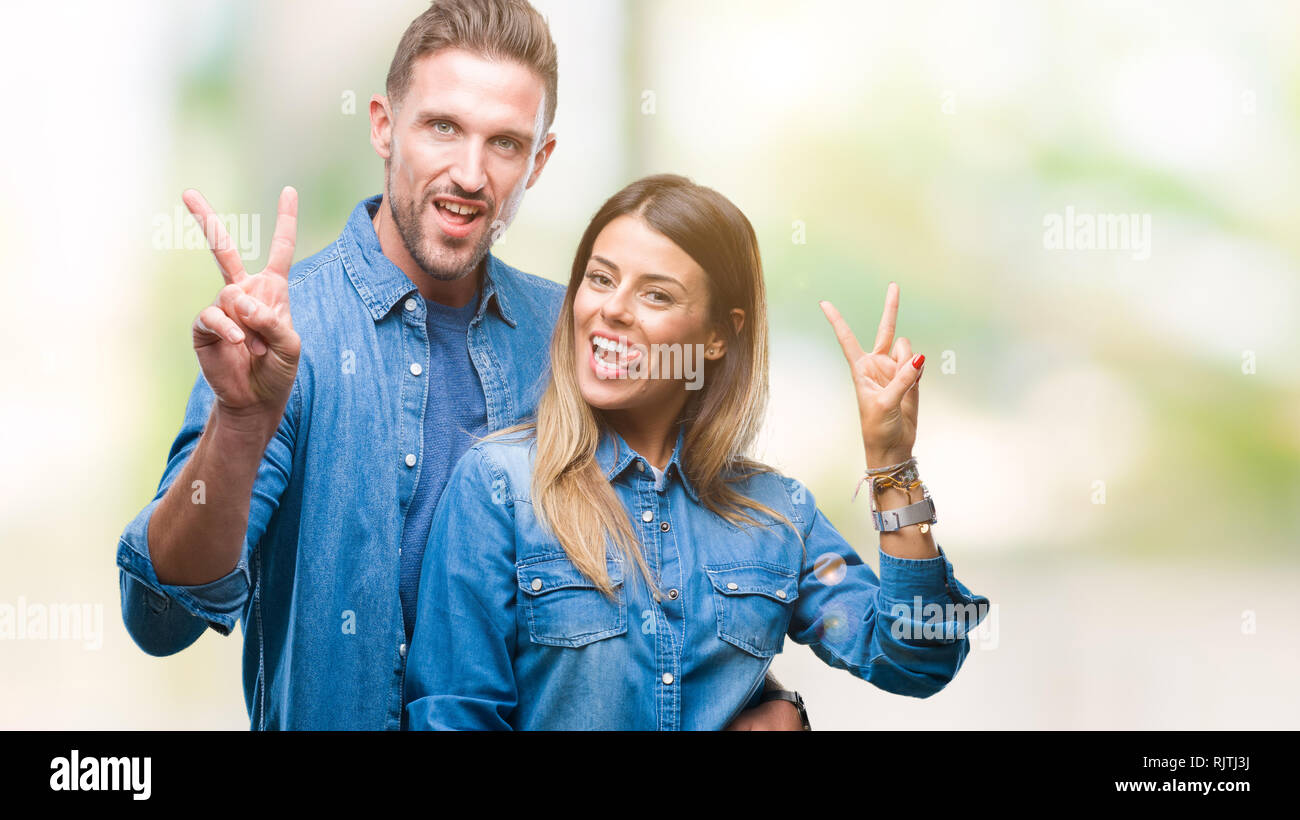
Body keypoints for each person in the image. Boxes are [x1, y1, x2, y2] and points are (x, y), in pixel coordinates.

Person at [116, 0, 802, 730]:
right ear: (385, 126)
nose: (470, 174)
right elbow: (160, 619)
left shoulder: (583, 339)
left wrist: (769, 705)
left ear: (538, 160)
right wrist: (242, 423)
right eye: (443, 127)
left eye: (505, 143)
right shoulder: (284, 334)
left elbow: (681, 572)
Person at [404, 174, 991, 730]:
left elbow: (918, 657)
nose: (611, 309)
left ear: (718, 335)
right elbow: (453, 713)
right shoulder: (501, 486)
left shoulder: (775, 513)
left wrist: (892, 464)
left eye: (656, 294)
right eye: (600, 278)